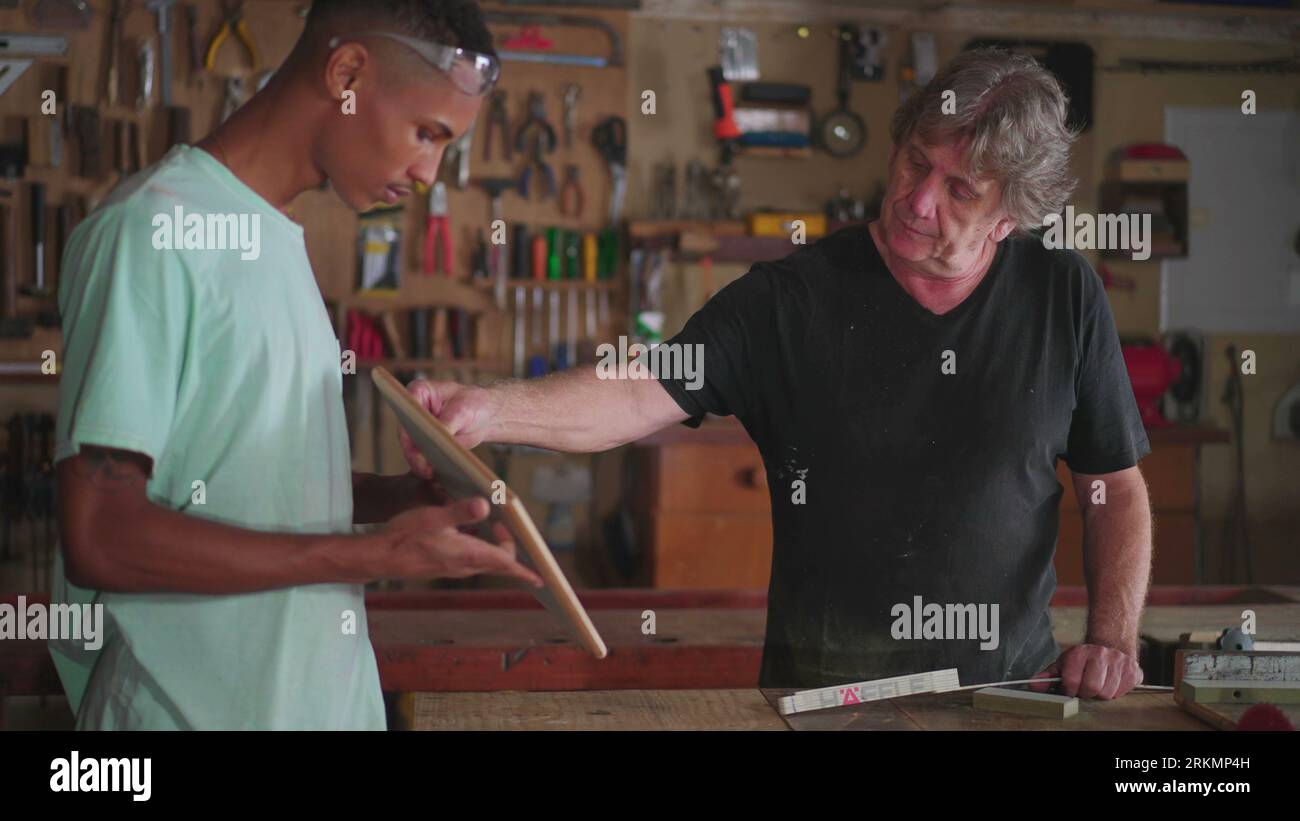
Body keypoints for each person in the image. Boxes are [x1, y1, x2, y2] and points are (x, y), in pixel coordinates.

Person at [402, 48, 1153, 700]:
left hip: (1007, 696)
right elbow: (639, 389)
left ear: (1010, 217)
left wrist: (1113, 640)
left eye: (960, 190)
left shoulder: (1062, 296)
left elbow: (1113, 486)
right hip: (826, 697)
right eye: (917, 161)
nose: (919, 200)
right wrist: (486, 410)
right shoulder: (791, 299)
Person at [51, 0, 537, 731]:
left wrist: (392, 501)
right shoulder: (152, 232)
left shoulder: (273, 236)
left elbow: (239, 484)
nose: (429, 172)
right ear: (346, 71)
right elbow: (101, 533)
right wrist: (364, 551)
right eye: (426, 133)